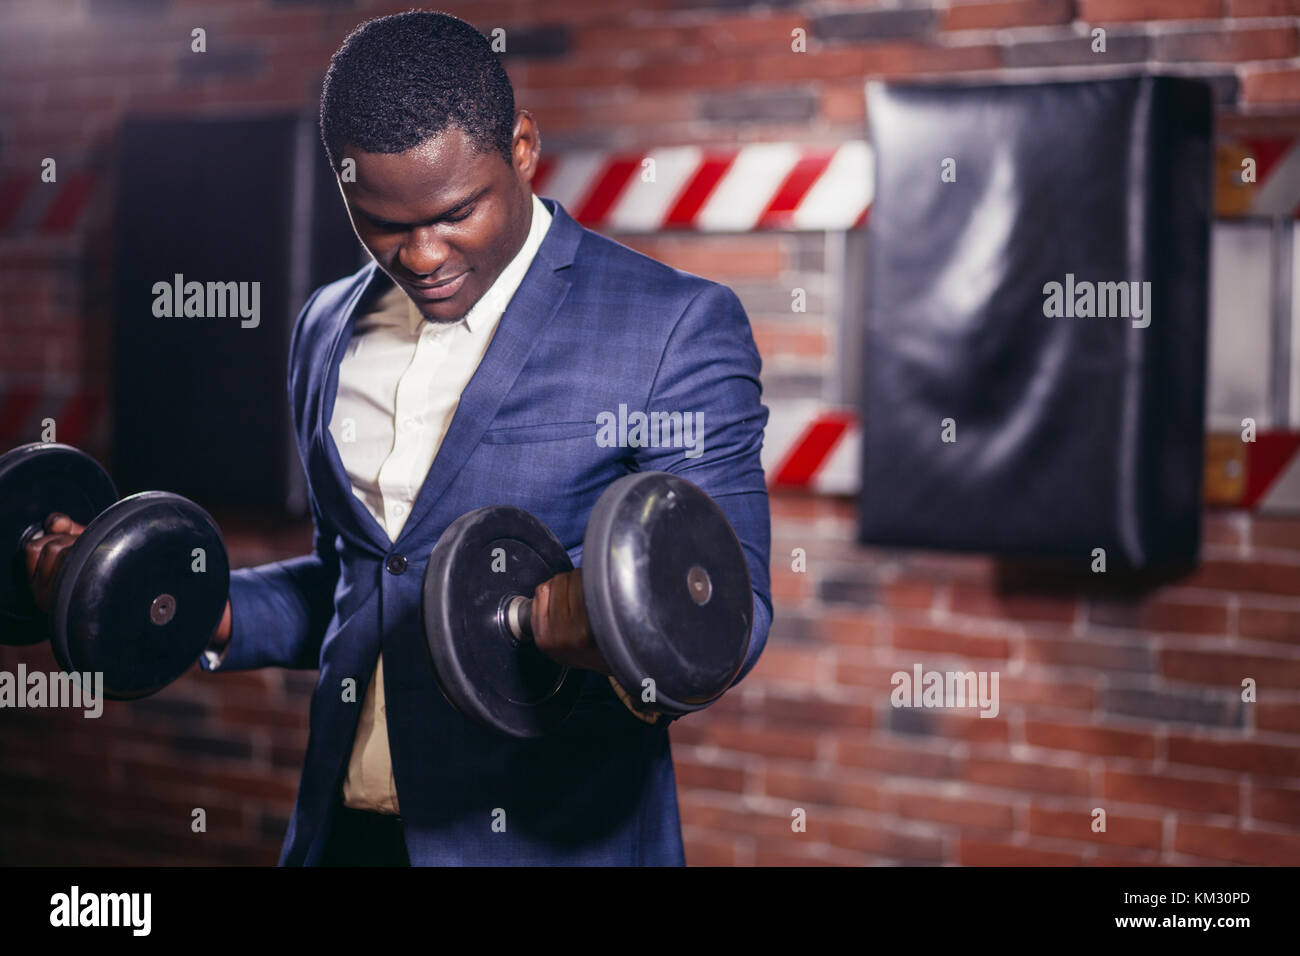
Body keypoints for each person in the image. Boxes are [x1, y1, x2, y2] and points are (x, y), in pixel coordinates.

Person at [27, 10, 771, 866]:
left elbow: (730, 608)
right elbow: (360, 581)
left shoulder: (672, 326)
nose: (422, 256)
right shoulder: (326, 326)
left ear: (522, 149)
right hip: (345, 835)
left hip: (546, 844)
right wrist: (183, 600)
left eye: (457, 212)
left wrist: (573, 619)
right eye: (381, 222)